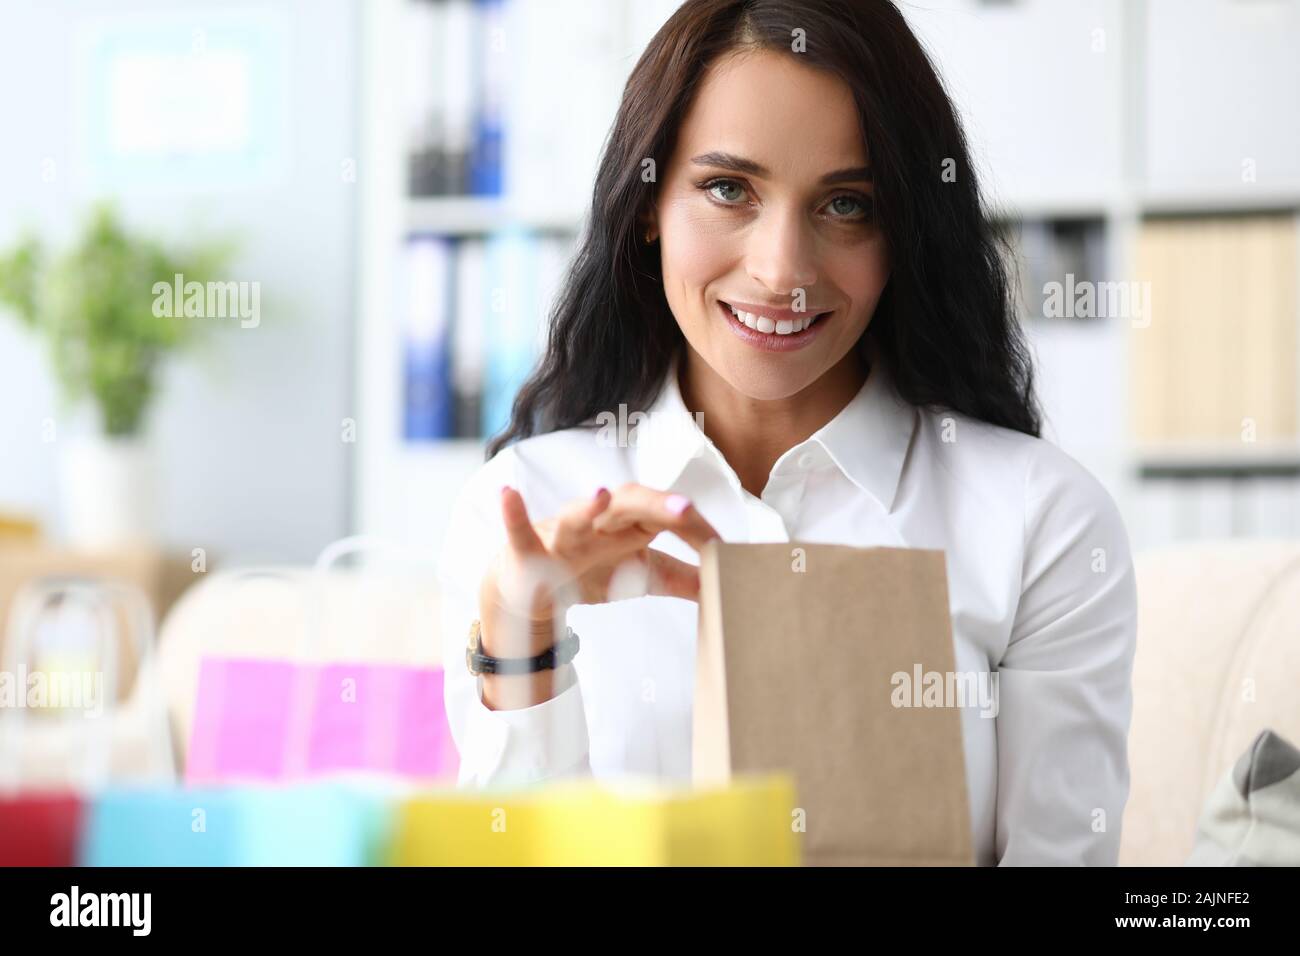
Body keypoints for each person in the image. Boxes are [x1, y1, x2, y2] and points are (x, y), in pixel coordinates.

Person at [438, 0, 1136, 866]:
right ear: (649, 202)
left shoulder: (1041, 520)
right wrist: (521, 641)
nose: (783, 271)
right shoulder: (520, 512)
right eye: (729, 189)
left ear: (905, 231)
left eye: (847, 205)